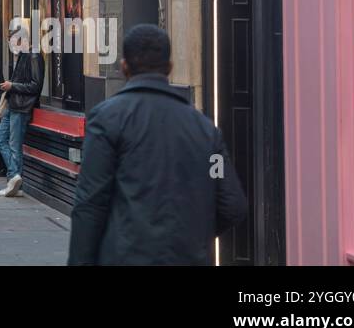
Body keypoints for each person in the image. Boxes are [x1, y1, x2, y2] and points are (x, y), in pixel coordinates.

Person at [68, 25, 248, 265]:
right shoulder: (205, 131)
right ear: (170, 67)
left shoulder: (107, 119)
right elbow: (232, 204)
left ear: (124, 67)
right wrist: (193, 236)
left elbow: (90, 202)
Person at [0, 22, 43, 197]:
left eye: (12, 40)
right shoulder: (23, 56)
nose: (11, 44)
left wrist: (12, 85)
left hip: (22, 107)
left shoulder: (34, 56)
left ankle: (13, 182)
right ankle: (14, 177)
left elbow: (35, 86)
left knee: (14, 146)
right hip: (13, 104)